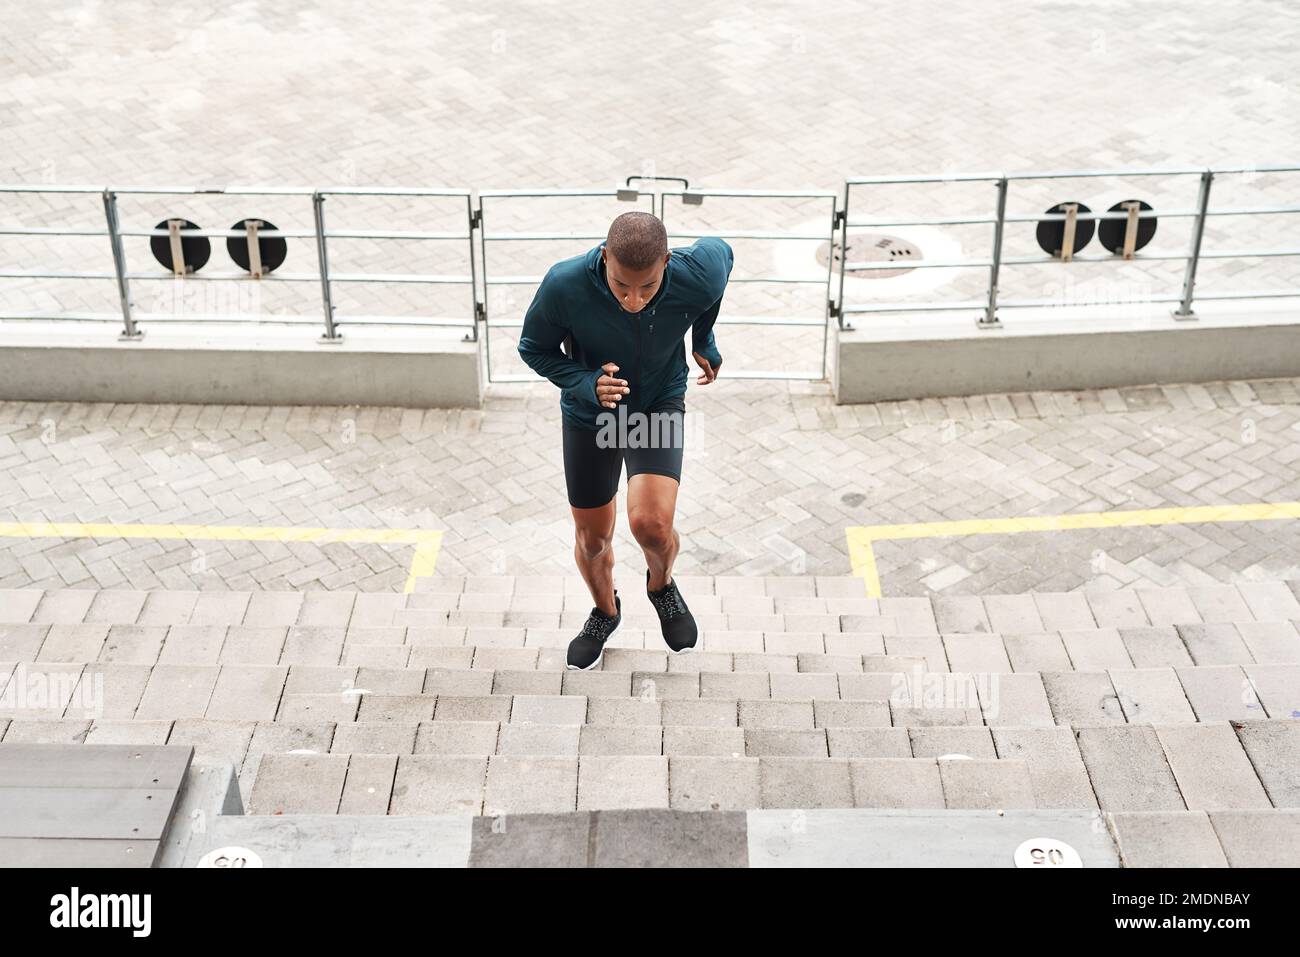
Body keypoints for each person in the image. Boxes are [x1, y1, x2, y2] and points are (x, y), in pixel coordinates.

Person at [517, 211, 733, 670]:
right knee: (593, 539)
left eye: (648, 288)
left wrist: (704, 335)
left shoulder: (698, 274)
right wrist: (583, 382)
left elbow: (723, 256)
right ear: (604, 257)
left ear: (667, 264)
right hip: (590, 416)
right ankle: (605, 611)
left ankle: (661, 587)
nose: (634, 300)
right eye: (621, 287)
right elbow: (532, 348)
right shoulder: (564, 284)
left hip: (656, 404)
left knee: (651, 526)